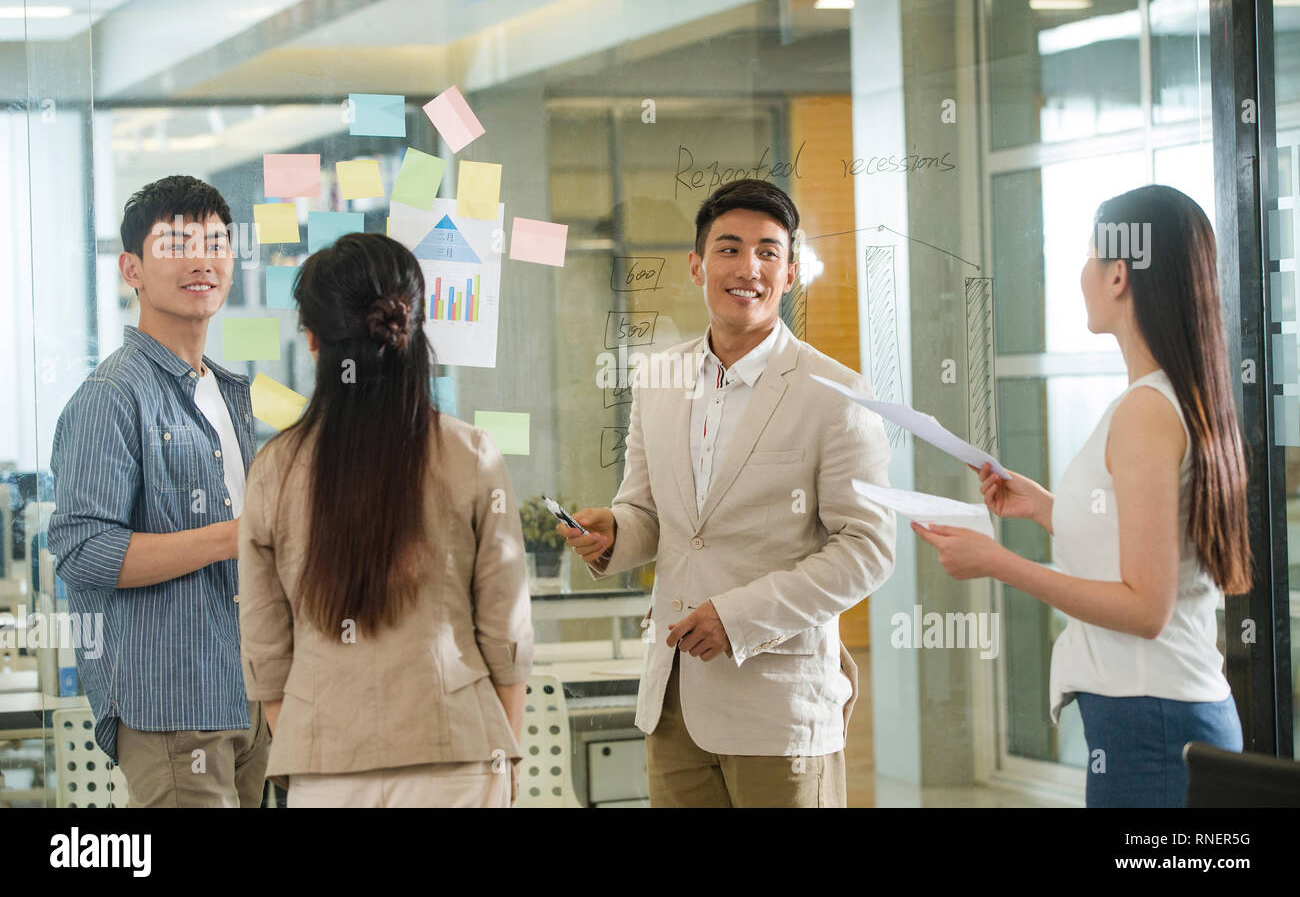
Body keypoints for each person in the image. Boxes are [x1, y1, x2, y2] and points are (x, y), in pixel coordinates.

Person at [560, 179, 896, 807]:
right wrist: (613, 530)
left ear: (790, 272)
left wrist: (738, 618)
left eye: (769, 252)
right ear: (697, 266)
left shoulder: (838, 394)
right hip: (673, 701)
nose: (750, 268)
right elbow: (650, 512)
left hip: (779, 710)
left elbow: (867, 551)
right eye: (730, 249)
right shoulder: (657, 379)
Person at [913, 184, 1250, 807]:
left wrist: (1000, 565)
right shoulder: (1173, 397)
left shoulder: (1146, 411)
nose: (1079, 275)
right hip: (1160, 718)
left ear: (1119, 275)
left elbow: (1146, 607)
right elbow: (1143, 546)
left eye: (1089, 257)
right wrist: (1044, 506)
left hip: (1152, 726)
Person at [237, 233, 532, 807]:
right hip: (455, 753)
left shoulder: (275, 468)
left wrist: (310, 740)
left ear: (314, 341)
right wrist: (503, 755)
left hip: (326, 766)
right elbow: (506, 631)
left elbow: (265, 647)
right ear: (413, 329)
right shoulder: (470, 454)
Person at [48, 175, 270, 807]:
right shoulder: (112, 398)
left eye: (218, 241)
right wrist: (234, 538)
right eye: (176, 243)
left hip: (248, 689)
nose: (203, 258)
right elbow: (84, 553)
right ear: (132, 269)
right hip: (172, 703)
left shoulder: (227, 393)